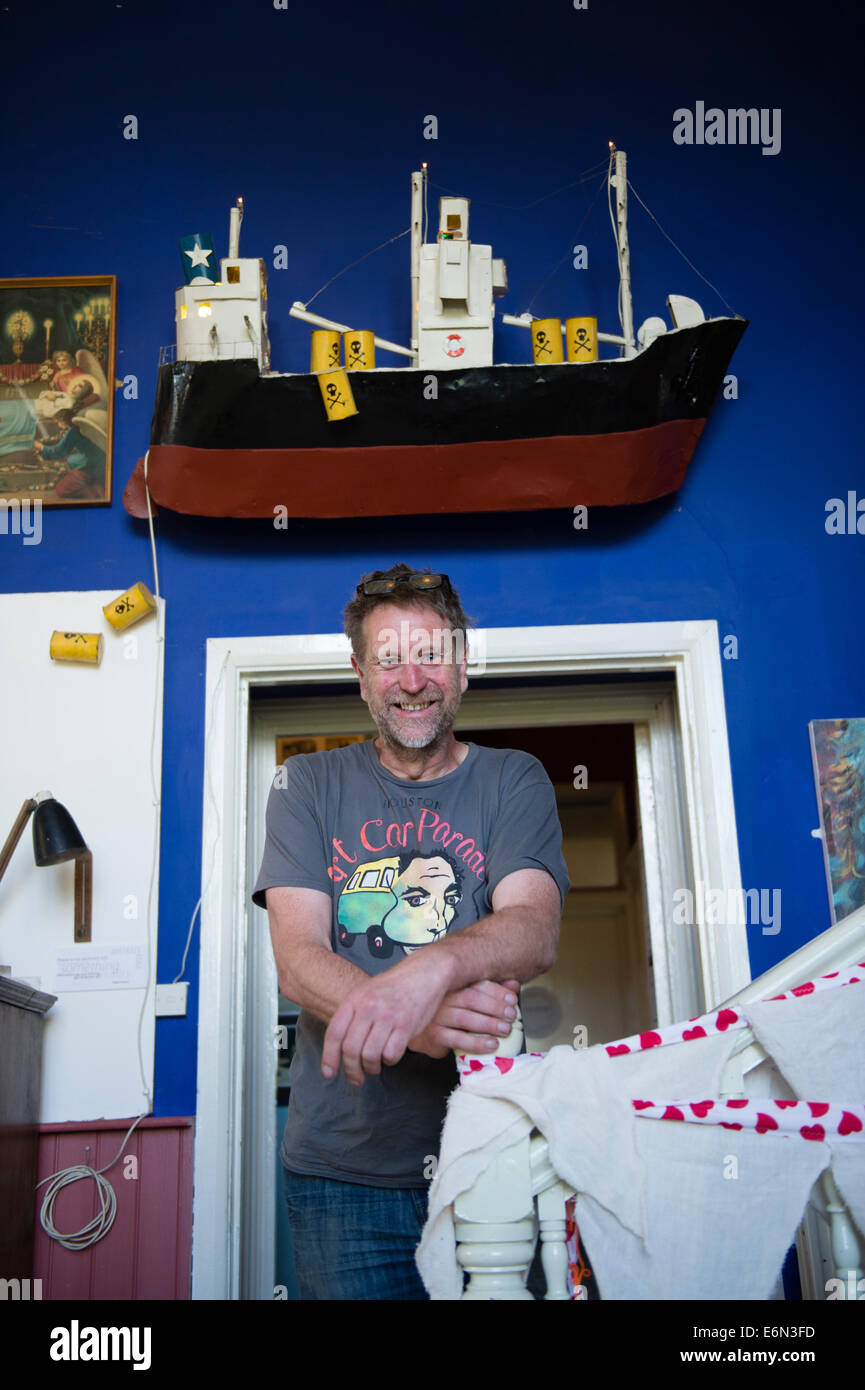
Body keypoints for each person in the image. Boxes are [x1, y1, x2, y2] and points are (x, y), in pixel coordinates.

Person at [252, 564, 569, 1300]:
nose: (412, 678)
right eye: (388, 659)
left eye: (429, 654)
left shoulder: (513, 778)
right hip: (341, 1173)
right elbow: (297, 963)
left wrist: (427, 972)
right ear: (361, 677)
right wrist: (424, 1020)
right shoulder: (305, 785)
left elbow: (532, 925)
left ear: (460, 666)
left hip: (487, 1156)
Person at [33, 409, 105, 499]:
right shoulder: (82, 428)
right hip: (100, 464)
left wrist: (41, 447)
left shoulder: (73, 432)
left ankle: (94, 490)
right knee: (71, 460)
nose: (58, 425)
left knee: (61, 490)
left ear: (63, 421)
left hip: (90, 467)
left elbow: (58, 451)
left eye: (58, 422)